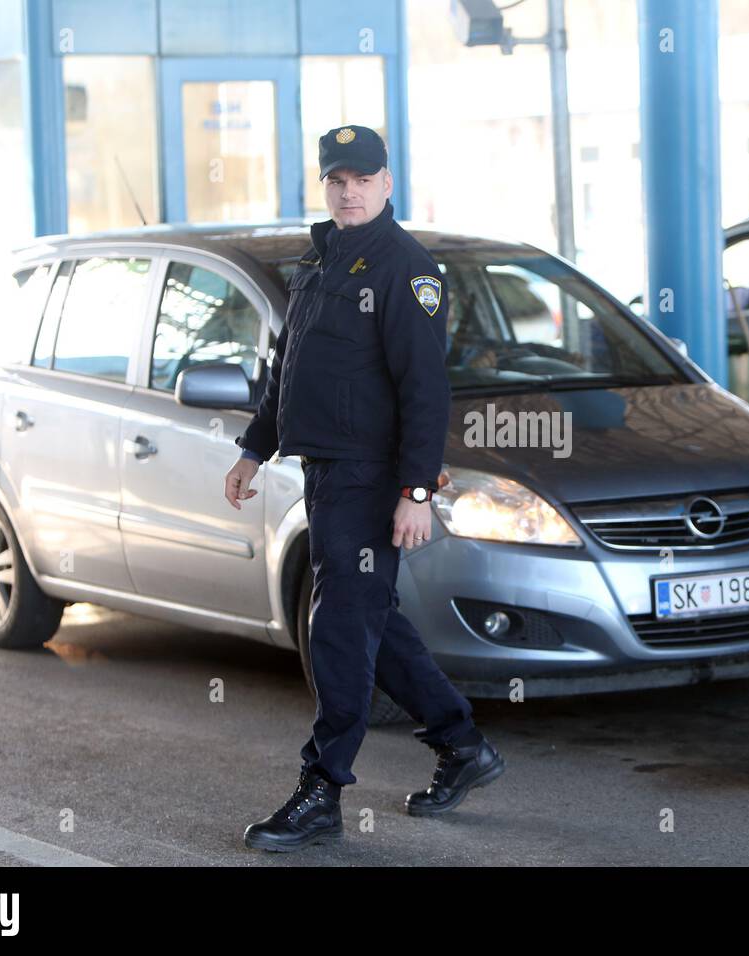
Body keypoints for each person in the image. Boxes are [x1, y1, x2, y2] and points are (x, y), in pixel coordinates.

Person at [223, 125, 505, 852]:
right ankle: (463, 745)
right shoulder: (318, 260)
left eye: (362, 178)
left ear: (387, 183)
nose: (349, 191)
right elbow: (289, 367)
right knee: (370, 617)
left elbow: (425, 390)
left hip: (369, 477)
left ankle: (322, 789)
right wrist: (255, 448)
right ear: (326, 186)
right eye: (337, 180)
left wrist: (415, 491)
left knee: (339, 629)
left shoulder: (406, 269)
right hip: (324, 472)